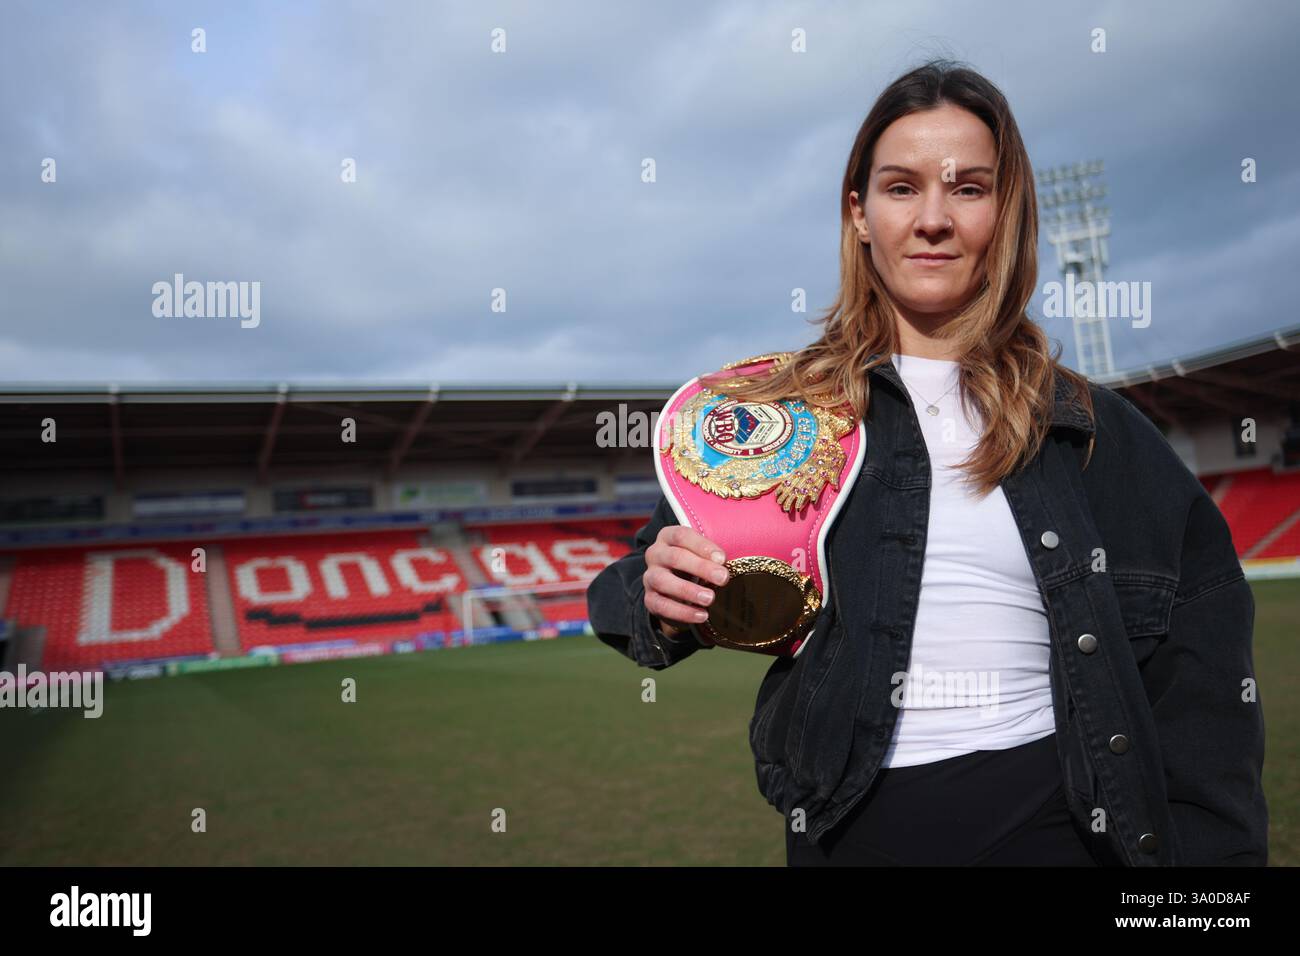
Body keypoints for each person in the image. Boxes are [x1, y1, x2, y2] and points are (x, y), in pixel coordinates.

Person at [586, 59, 1268, 866]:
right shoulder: (777, 417)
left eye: (969, 188)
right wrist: (661, 597)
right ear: (861, 213)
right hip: (853, 829)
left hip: (1060, 826)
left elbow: (1204, 682)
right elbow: (628, 593)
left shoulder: (1090, 427)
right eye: (902, 187)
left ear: (1004, 212)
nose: (934, 219)